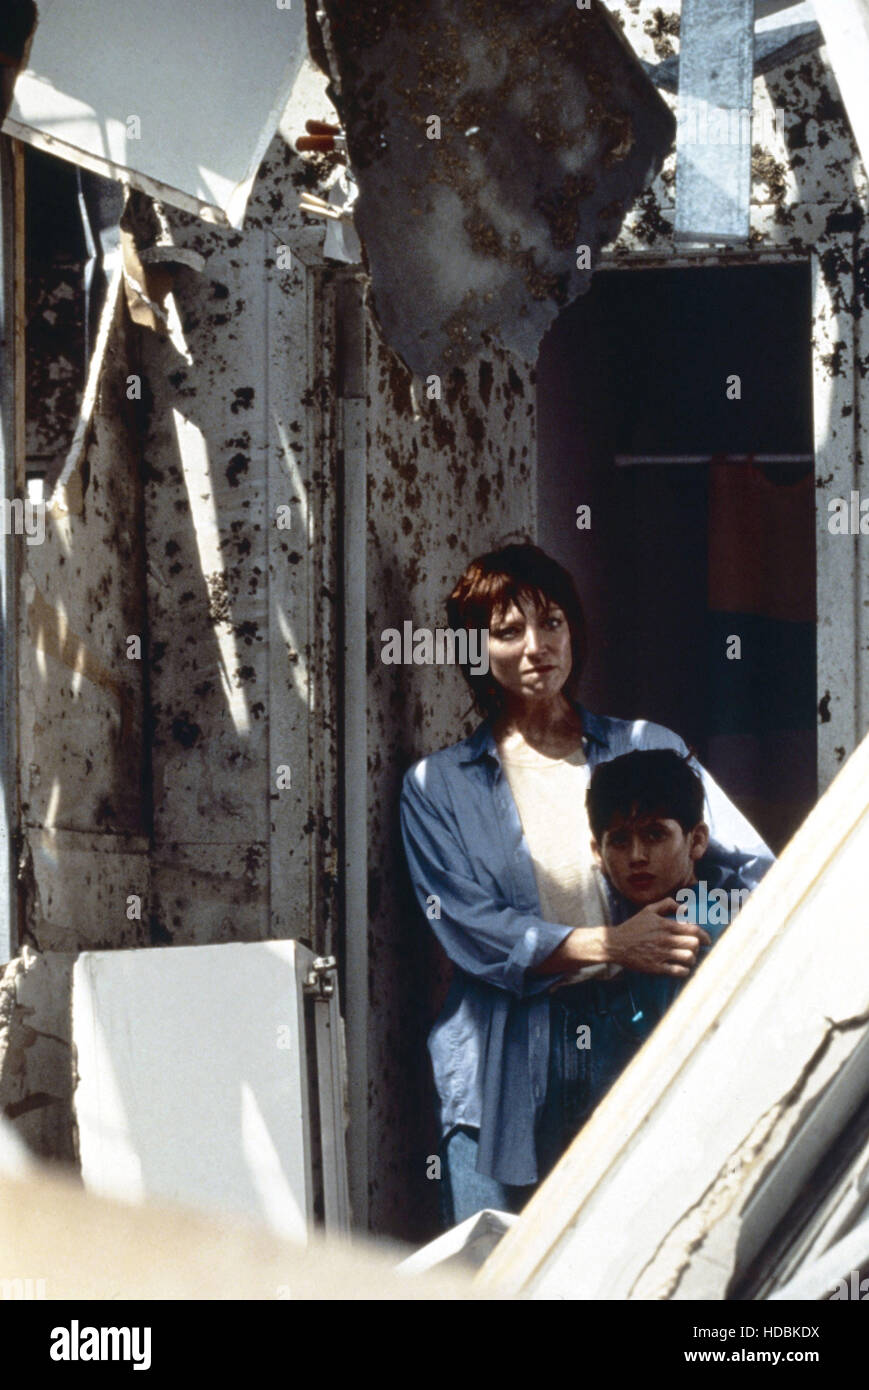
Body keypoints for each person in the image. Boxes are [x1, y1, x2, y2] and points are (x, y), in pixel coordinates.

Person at [399, 543, 773, 1226]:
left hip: (639, 1037)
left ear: (575, 630)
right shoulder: (437, 787)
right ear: (474, 650)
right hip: (500, 1059)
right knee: (498, 1268)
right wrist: (609, 944)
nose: (536, 646)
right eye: (507, 631)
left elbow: (753, 873)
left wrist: (696, 935)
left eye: (552, 623)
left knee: (637, 1250)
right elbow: (469, 928)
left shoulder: (642, 744)